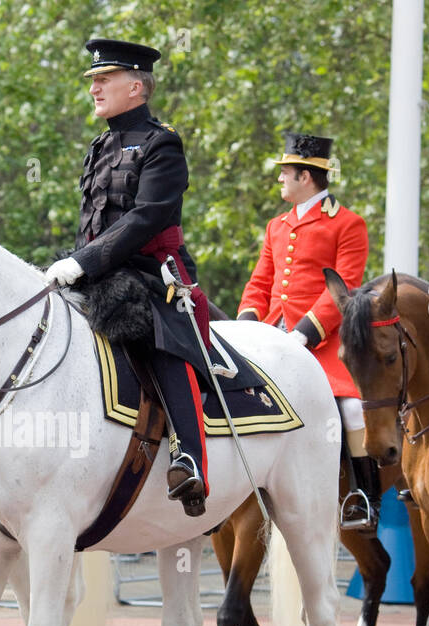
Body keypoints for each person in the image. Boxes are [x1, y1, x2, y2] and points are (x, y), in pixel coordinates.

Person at [45, 38, 212, 516]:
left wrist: (84, 263)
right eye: (93, 80)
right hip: (97, 270)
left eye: (104, 79)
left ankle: (190, 457)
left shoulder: (162, 143)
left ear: (136, 86)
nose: (94, 88)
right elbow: (94, 219)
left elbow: (146, 218)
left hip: (151, 272)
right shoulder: (100, 144)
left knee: (161, 340)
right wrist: (77, 265)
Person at [235, 132, 376, 530]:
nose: (280, 178)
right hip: (270, 336)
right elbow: (259, 283)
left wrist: (303, 333)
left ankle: (361, 496)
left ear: (307, 178)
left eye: (285, 172)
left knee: (349, 410)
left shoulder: (348, 223)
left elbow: (342, 288)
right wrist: (246, 328)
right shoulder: (277, 226)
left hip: (323, 342)